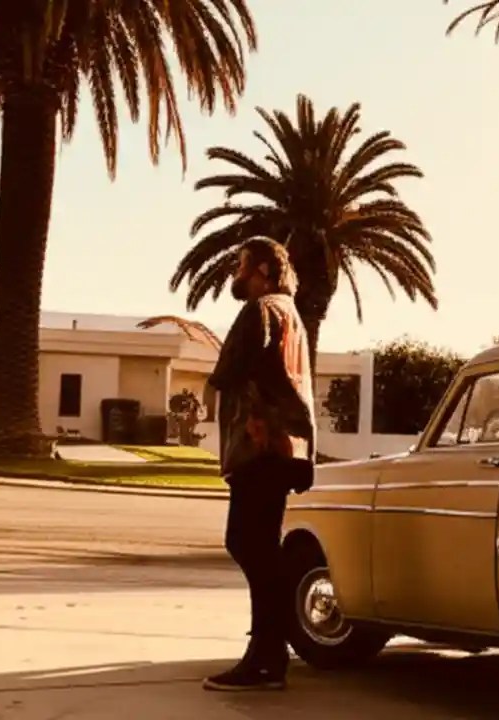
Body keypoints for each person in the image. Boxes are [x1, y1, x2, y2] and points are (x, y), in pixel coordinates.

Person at [202, 237, 317, 692]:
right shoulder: (293, 314)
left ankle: (268, 654)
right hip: (282, 450)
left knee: (249, 544)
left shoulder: (262, 310)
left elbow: (231, 371)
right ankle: (268, 649)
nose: (237, 273)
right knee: (259, 547)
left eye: (242, 266)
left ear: (265, 269)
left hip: (262, 448)